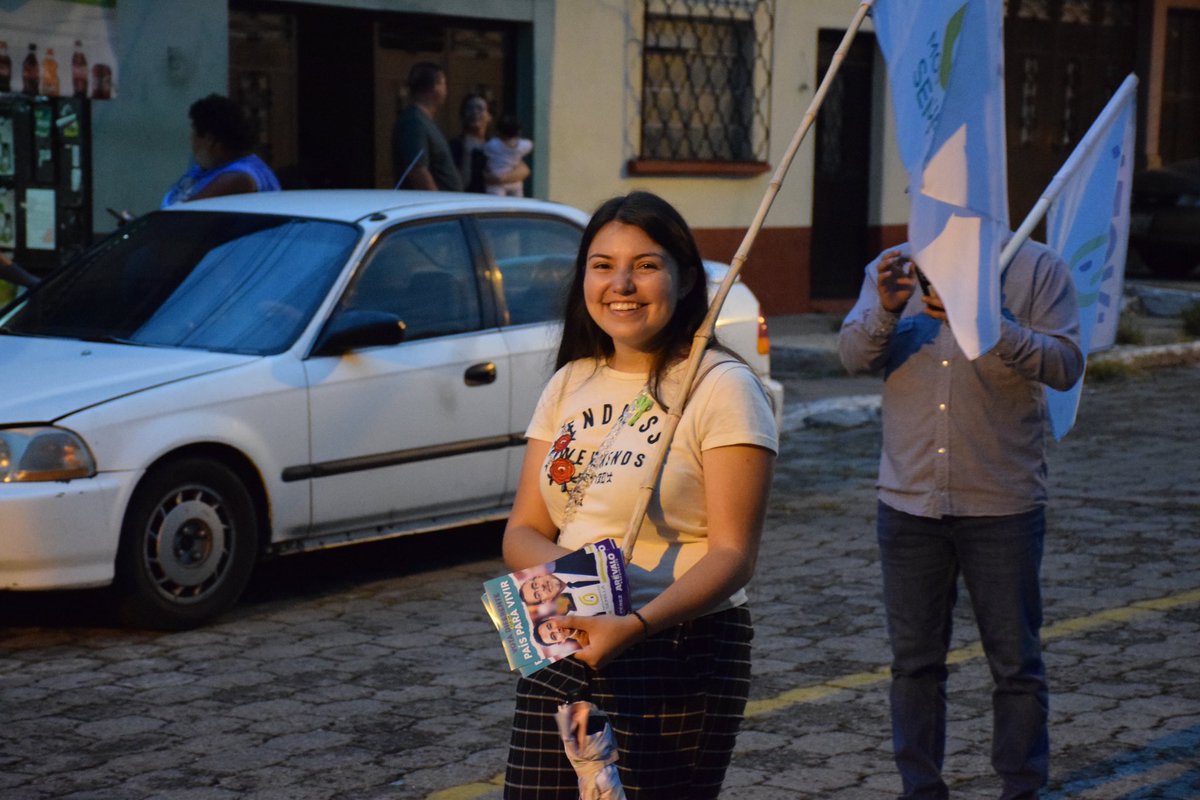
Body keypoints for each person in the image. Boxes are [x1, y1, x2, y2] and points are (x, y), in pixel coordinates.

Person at [501, 190, 777, 798]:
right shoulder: (568, 381)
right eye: (602, 265)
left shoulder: (721, 388)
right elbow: (522, 529)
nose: (621, 284)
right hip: (563, 642)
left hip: (678, 646)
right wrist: (567, 589)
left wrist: (635, 622)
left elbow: (733, 554)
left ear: (682, 279)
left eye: (646, 265)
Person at [838, 243, 1084, 800]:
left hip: (1002, 503)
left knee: (1015, 662)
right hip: (908, 504)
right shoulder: (891, 266)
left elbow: (1068, 365)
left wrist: (994, 327)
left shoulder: (1036, 267)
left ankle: (1021, 788)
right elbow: (852, 355)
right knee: (914, 664)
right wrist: (885, 307)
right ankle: (920, 789)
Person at [160, 94, 281, 208]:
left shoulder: (239, 177)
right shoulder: (206, 166)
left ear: (209, 140)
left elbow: (185, 214)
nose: (191, 140)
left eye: (194, 134)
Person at [392, 62, 461, 191]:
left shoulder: (424, 121)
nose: (446, 90)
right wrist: (438, 207)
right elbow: (418, 171)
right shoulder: (414, 122)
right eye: (444, 83)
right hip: (434, 207)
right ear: (436, 88)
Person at [448, 93, 531, 194]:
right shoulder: (454, 145)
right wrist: (467, 153)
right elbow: (461, 185)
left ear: (489, 116)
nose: (474, 112)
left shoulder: (496, 144)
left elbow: (524, 170)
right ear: (463, 115)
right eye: (469, 108)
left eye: (480, 108)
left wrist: (499, 179)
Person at [483, 115, 533, 197]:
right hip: (514, 181)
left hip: (495, 179)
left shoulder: (493, 144)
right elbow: (530, 145)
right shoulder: (523, 145)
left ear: (498, 131)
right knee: (517, 205)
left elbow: (485, 150)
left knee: (496, 205)